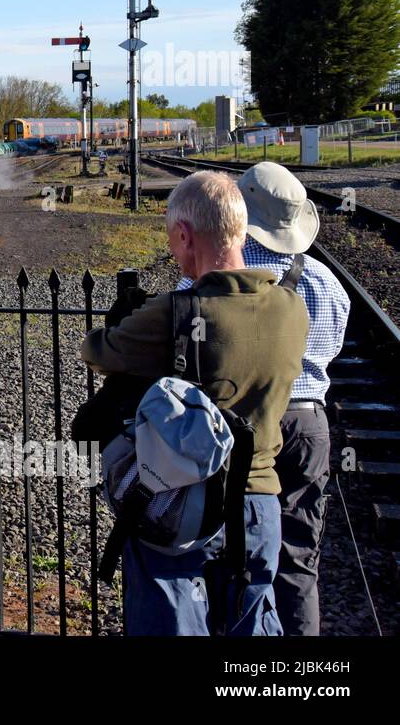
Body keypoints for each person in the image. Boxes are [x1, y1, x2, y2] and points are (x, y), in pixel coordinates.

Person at [81, 170, 307, 636]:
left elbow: (99, 350)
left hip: (179, 507)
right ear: (241, 229)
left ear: (184, 235)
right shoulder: (291, 309)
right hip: (260, 505)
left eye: (172, 238)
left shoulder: (177, 312)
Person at [180, 162, 349, 635]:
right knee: (299, 560)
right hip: (309, 423)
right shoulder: (327, 284)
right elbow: (331, 351)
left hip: (247, 421)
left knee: (236, 552)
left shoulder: (216, 278)